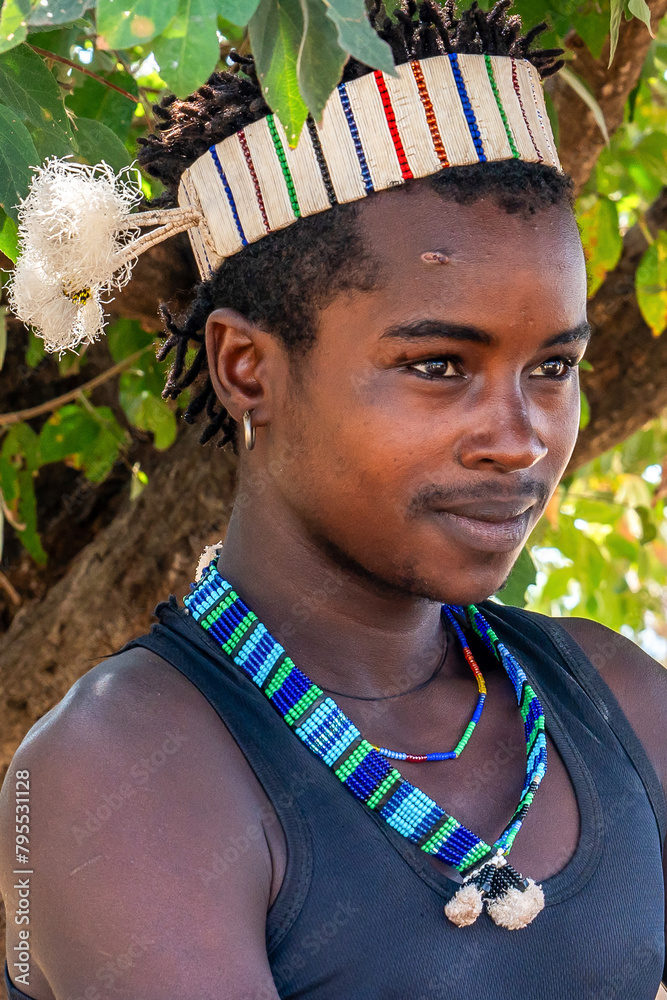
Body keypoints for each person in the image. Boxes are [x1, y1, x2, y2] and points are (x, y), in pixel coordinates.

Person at [1, 1, 666, 998]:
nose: (520, 437)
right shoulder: (120, 772)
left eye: (552, 366)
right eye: (440, 365)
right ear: (246, 367)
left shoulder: (619, 701)